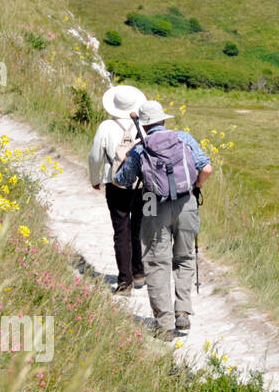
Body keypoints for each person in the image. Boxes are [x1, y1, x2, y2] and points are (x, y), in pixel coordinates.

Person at [113, 101, 212, 340]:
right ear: (164, 121)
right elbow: (206, 169)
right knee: (185, 257)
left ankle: (165, 324)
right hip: (185, 202)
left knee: (157, 263)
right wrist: (196, 186)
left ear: (144, 126)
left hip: (152, 204)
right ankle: (183, 311)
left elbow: (122, 180)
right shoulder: (184, 139)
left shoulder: (140, 148)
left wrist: (127, 158)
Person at [87, 85, 146, 294]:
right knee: (139, 228)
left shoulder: (106, 126)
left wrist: (95, 179)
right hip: (141, 185)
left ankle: (125, 281)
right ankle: (139, 272)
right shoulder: (143, 124)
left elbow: (95, 156)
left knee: (121, 230)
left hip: (115, 183)